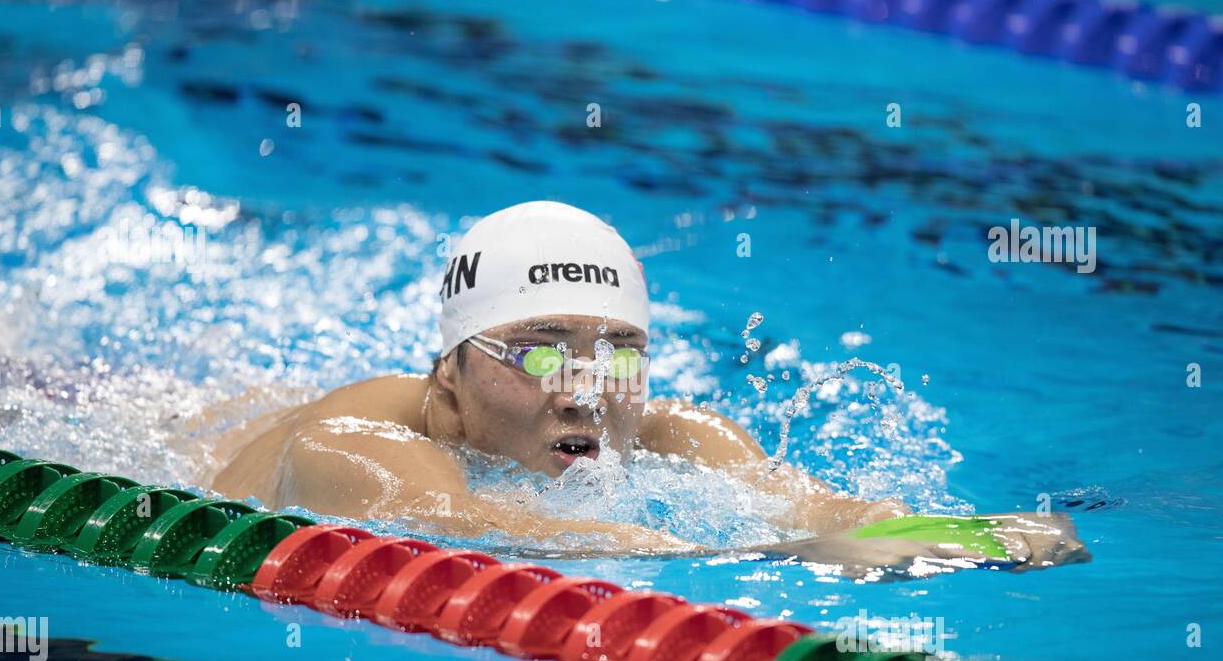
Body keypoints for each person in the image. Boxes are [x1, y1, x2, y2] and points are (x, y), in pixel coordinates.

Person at [209, 200, 1089, 574]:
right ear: (450, 376)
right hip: (182, 429)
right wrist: (772, 561)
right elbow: (482, 531)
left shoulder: (682, 434)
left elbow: (816, 507)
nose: (586, 391)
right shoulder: (351, 446)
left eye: (618, 350)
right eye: (540, 350)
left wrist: (957, 534)